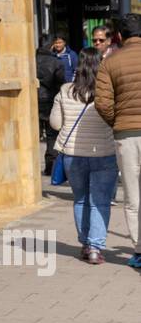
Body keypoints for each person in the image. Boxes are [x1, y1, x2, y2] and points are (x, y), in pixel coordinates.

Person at [50, 50, 117, 264]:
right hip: (104, 153)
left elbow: (55, 123)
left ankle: (85, 243)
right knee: (100, 201)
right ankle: (95, 247)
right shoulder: (107, 90)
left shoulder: (65, 90)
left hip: (72, 153)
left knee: (80, 199)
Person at [94, 12, 141, 269]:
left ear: (119, 36)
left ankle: (139, 249)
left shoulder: (110, 63)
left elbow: (102, 102)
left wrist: (118, 120)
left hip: (126, 135)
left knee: (133, 196)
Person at [36, 32, 66, 175]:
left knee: (31, 134)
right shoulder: (57, 63)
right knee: (51, 135)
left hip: (33, 100)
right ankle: (50, 166)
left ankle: (32, 167)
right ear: (52, 45)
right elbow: (61, 83)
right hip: (50, 100)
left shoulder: (31, 60)